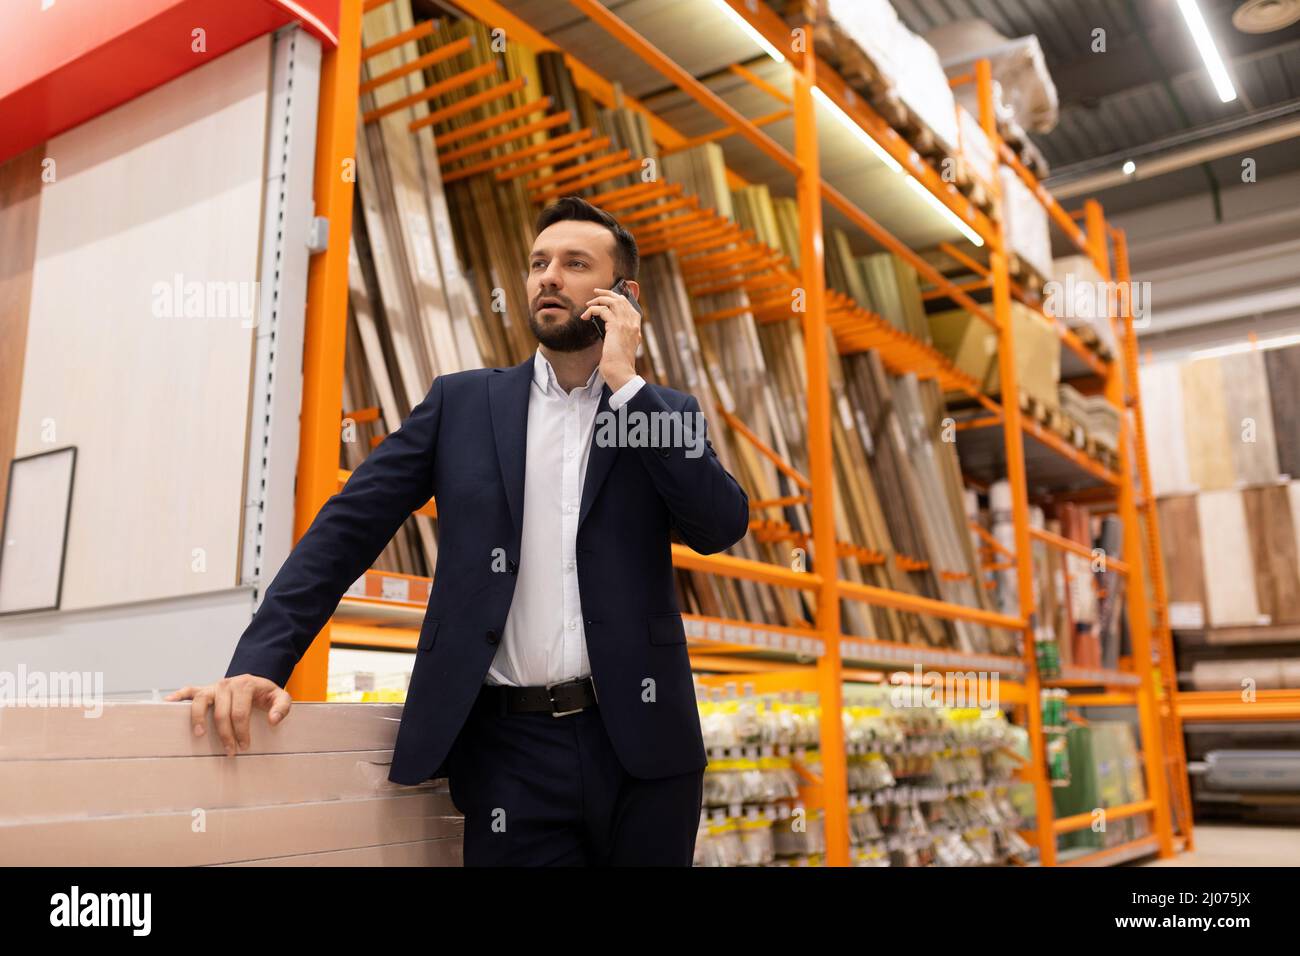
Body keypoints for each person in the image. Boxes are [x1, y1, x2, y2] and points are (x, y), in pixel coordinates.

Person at [167, 195, 750, 866]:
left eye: (574, 263)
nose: (548, 277)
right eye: (538, 263)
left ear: (623, 293)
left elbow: (720, 523)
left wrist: (625, 381)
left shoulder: (657, 412)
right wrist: (259, 663)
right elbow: (347, 529)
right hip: (510, 757)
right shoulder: (464, 405)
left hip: (645, 754)